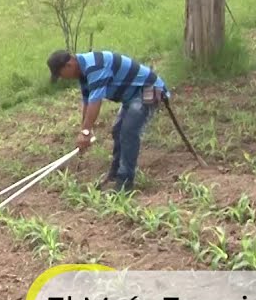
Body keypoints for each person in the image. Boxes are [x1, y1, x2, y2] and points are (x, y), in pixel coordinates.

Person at [47, 49, 170, 193]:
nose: (63, 78)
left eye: (61, 74)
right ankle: (115, 173)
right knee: (117, 131)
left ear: (69, 65)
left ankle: (125, 183)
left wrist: (86, 132)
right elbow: (87, 103)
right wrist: (84, 132)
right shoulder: (83, 73)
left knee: (128, 132)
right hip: (131, 96)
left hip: (149, 90)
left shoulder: (95, 67)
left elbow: (95, 102)